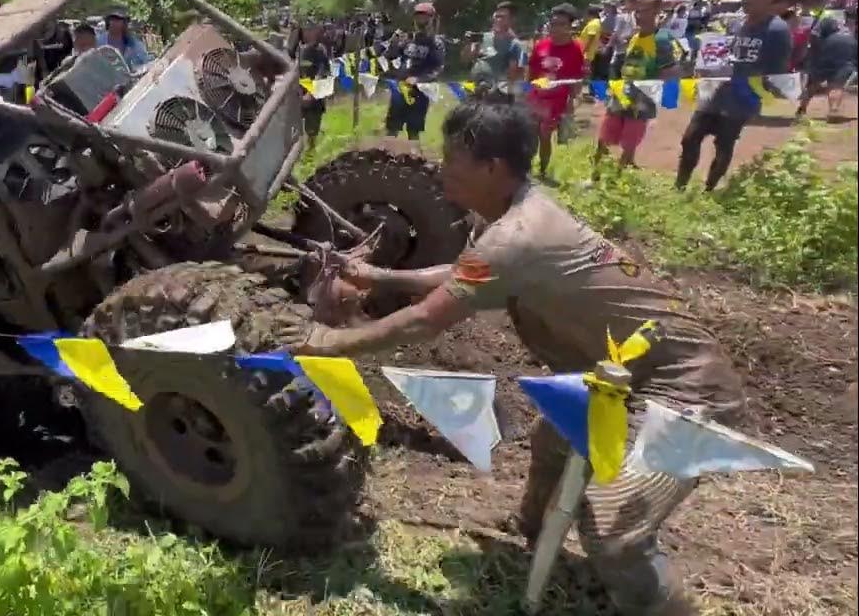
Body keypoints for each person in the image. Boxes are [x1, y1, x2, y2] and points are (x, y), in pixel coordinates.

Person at [293, 101, 744, 616]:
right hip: (624, 373)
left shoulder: (517, 237)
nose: (442, 168)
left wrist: (327, 343)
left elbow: (423, 321)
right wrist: (382, 278)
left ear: (492, 168)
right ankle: (532, 532)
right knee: (554, 439)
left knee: (615, 531)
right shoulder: (519, 214)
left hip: (685, 389)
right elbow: (466, 272)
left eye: (452, 158)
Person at [676, 0, 792, 191]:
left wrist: (755, 79)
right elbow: (724, 53)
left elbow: (777, 71)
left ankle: (709, 189)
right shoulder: (738, 24)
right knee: (690, 138)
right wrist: (709, 66)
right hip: (717, 90)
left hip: (743, 97)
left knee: (723, 144)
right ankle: (679, 186)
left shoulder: (777, 30)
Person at [595, 0, 681, 176]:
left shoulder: (662, 40)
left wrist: (650, 89)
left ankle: (615, 179)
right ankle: (595, 175)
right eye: (637, 11)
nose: (639, 16)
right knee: (604, 137)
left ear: (657, 11)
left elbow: (670, 72)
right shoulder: (634, 36)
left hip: (641, 100)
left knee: (629, 143)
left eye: (645, 11)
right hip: (621, 93)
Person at [526, 3, 585, 180]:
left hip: (556, 103)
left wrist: (571, 103)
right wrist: (526, 93)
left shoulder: (576, 50)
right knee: (529, 135)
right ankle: (526, 169)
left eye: (561, 24)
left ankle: (543, 171)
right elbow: (531, 72)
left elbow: (576, 80)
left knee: (545, 137)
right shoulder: (541, 46)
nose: (556, 28)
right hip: (535, 98)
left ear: (569, 27)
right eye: (553, 24)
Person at [383, 2, 444, 139]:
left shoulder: (436, 43)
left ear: (431, 19)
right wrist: (393, 43)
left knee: (414, 130)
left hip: (420, 90)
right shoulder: (407, 38)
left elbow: (438, 68)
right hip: (400, 88)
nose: (420, 21)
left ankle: (413, 156)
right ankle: (388, 155)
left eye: (424, 17)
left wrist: (419, 79)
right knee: (392, 127)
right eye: (418, 17)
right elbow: (390, 57)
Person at [796, 8, 857, 120]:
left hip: (829, 45)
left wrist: (813, 55)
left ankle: (802, 108)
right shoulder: (851, 24)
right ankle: (833, 110)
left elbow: (814, 36)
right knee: (836, 84)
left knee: (813, 84)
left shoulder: (827, 19)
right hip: (849, 47)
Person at [463, 1, 524, 100]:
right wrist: (468, 44)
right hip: (473, 89)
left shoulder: (515, 45)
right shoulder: (483, 37)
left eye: (502, 17)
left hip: (497, 95)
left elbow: (514, 75)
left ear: (512, 20)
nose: (497, 20)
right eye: (496, 16)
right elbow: (466, 59)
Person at [294, 20, 332, 146]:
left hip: (315, 97)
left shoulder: (320, 50)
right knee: (294, 133)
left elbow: (322, 73)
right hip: (298, 95)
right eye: (306, 30)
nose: (309, 33)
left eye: (312, 30)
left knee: (311, 131)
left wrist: (310, 94)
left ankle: (310, 155)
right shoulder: (297, 49)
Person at [98, 6, 151, 70]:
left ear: (125, 23)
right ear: (108, 21)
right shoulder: (99, 41)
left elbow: (145, 63)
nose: (114, 22)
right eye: (112, 19)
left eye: (118, 19)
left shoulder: (134, 44)